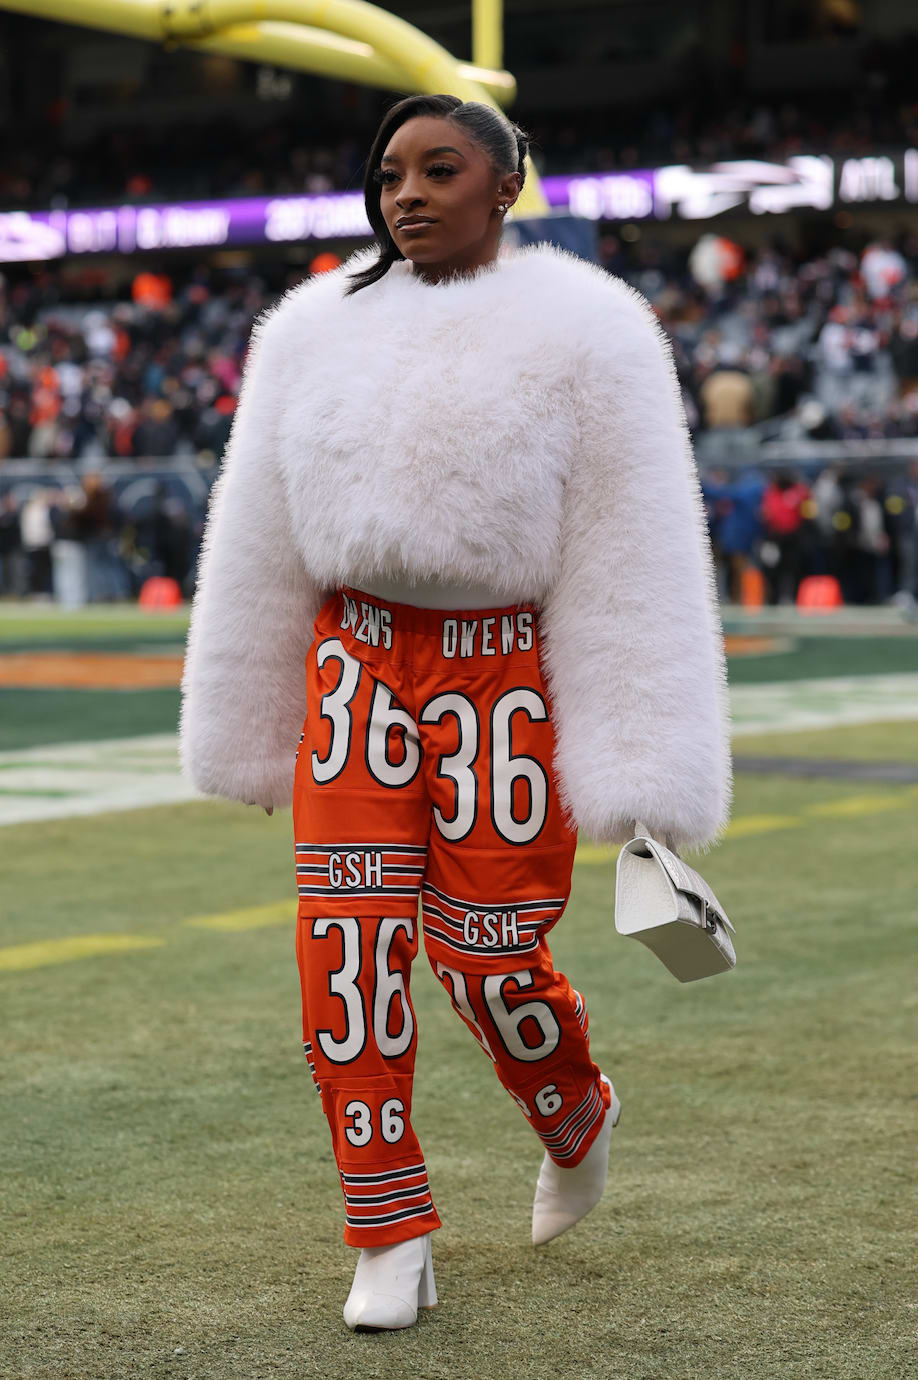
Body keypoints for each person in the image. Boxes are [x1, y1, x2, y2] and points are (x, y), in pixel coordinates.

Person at [180, 94, 732, 1333]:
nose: (409, 195)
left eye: (440, 170)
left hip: (505, 674)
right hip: (355, 666)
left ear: (506, 184)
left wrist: (646, 772)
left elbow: (633, 553)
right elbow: (259, 537)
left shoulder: (594, 331)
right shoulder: (309, 328)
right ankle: (388, 1230)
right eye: (390, 176)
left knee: (488, 963)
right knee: (350, 954)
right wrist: (246, 711)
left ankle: (576, 1110)